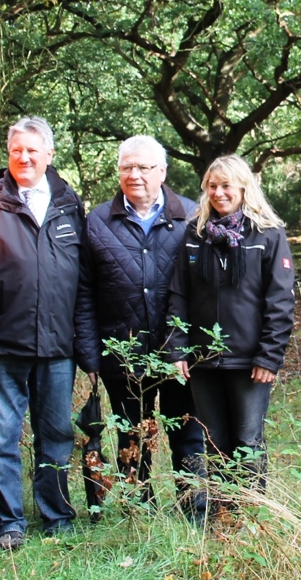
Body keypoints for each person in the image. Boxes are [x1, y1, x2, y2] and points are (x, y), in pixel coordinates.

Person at [74, 135, 206, 520]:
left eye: (144, 167)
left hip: (178, 353)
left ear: (162, 172)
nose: (135, 175)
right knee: (132, 434)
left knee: (188, 434)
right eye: (127, 167)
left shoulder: (192, 217)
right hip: (122, 352)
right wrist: (89, 351)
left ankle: (193, 509)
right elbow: (84, 291)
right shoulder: (98, 221)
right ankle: (139, 512)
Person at [0, 117, 84, 548]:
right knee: (2, 436)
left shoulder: (68, 202)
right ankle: (8, 522)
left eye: (32, 151)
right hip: (2, 341)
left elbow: (84, 277)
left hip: (58, 344)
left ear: (49, 155)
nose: (24, 158)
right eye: (16, 150)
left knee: (56, 435)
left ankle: (56, 515)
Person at [168, 154, 295, 497]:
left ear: (243, 188)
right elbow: (179, 294)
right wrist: (178, 349)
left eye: (226, 186)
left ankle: (251, 515)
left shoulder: (267, 234)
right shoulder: (195, 235)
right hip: (203, 360)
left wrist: (269, 357)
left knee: (247, 440)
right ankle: (225, 512)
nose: (219, 193)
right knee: (215, 441)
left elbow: (280, 300)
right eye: (212, 186)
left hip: (250, 361)